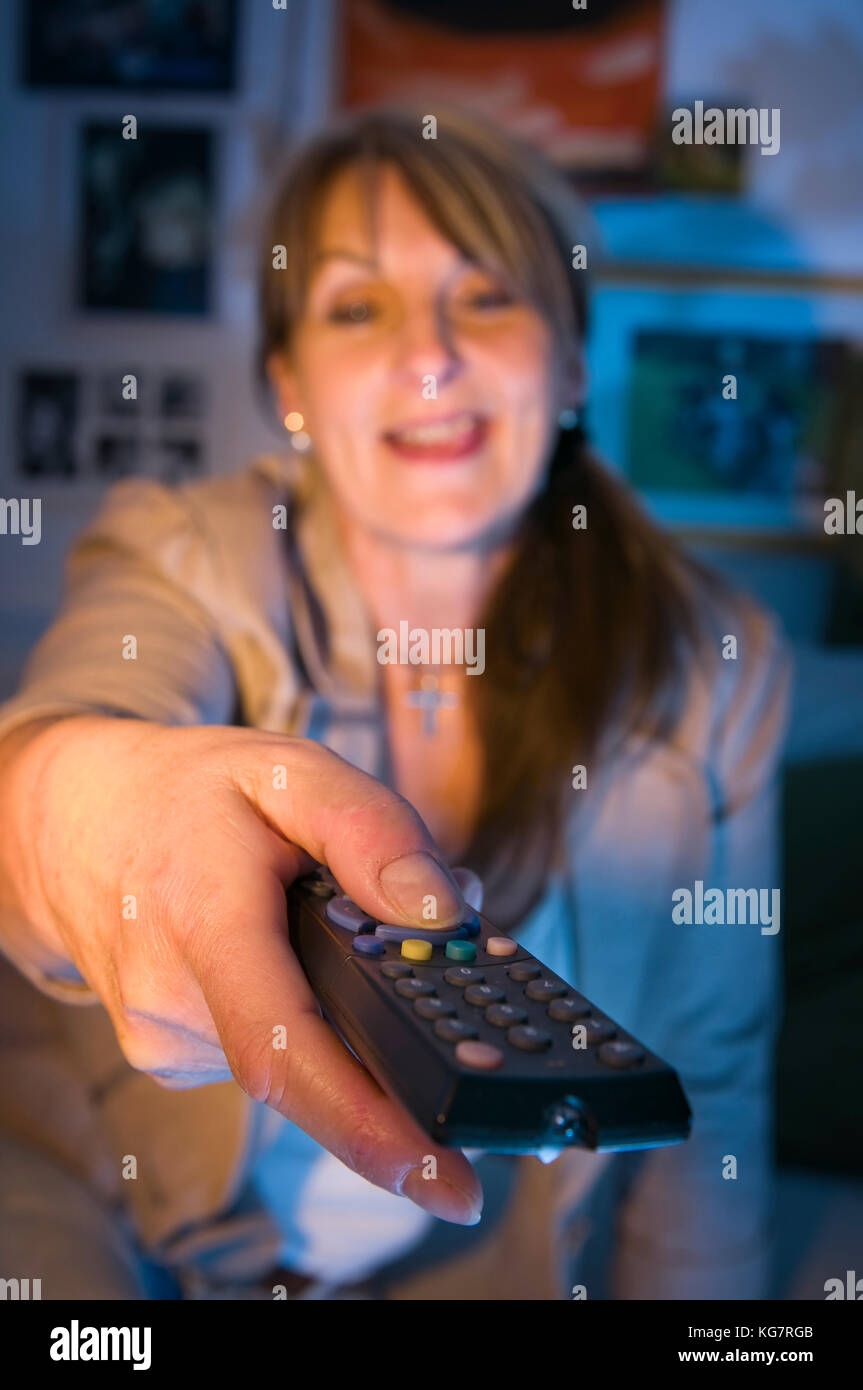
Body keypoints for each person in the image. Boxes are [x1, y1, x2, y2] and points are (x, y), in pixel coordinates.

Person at [0, 105, 790, 1300]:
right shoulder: (182, 554)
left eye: (484, 298)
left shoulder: (716, 656)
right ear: (290, 385)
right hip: (110, 1203)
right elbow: (75, 726)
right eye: (357, 308)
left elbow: (708, 1081)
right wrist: (78, 799)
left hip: (457, 1245)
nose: (428, 355)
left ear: (569, 362)